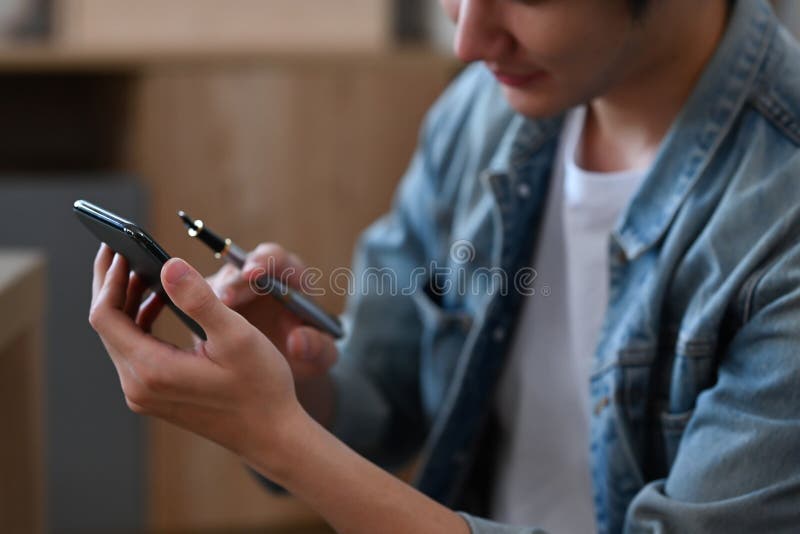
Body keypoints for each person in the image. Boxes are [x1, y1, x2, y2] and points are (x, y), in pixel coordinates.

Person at [88, 0, 800, 532]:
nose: (467, 38)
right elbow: (384, 398)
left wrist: (280, 440)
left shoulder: (780, 214)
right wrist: (295, 383)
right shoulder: (483, 115)